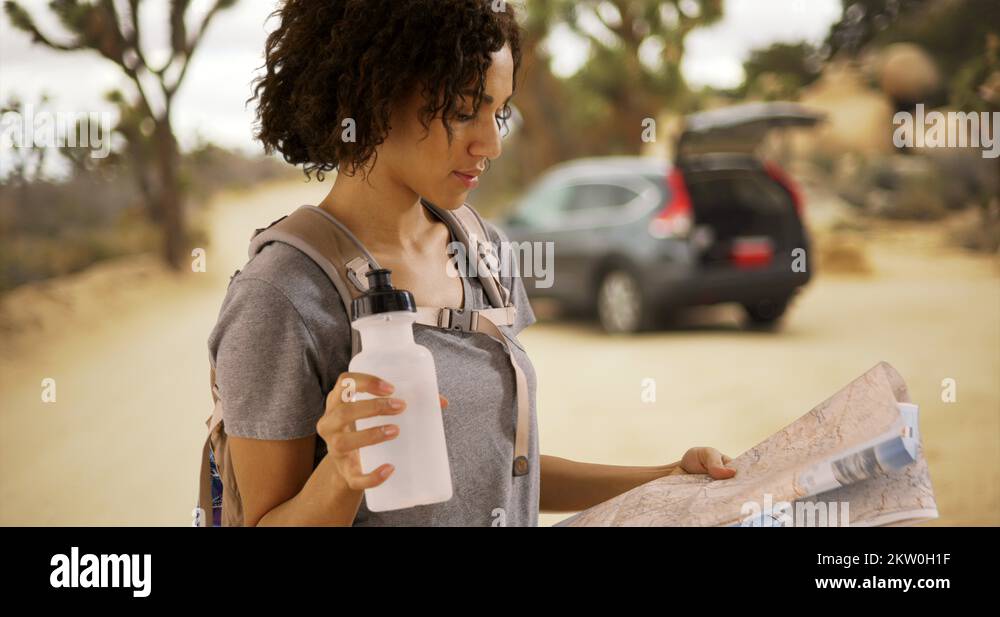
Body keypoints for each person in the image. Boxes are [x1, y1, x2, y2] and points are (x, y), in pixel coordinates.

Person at [207, 0, 736, 527]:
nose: (493, 143)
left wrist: (667, 477)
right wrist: (341, 476)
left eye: (499, 112)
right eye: (463, 112)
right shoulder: (280, 295)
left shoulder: (482, 251)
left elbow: (501, 473)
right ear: (372, 97)